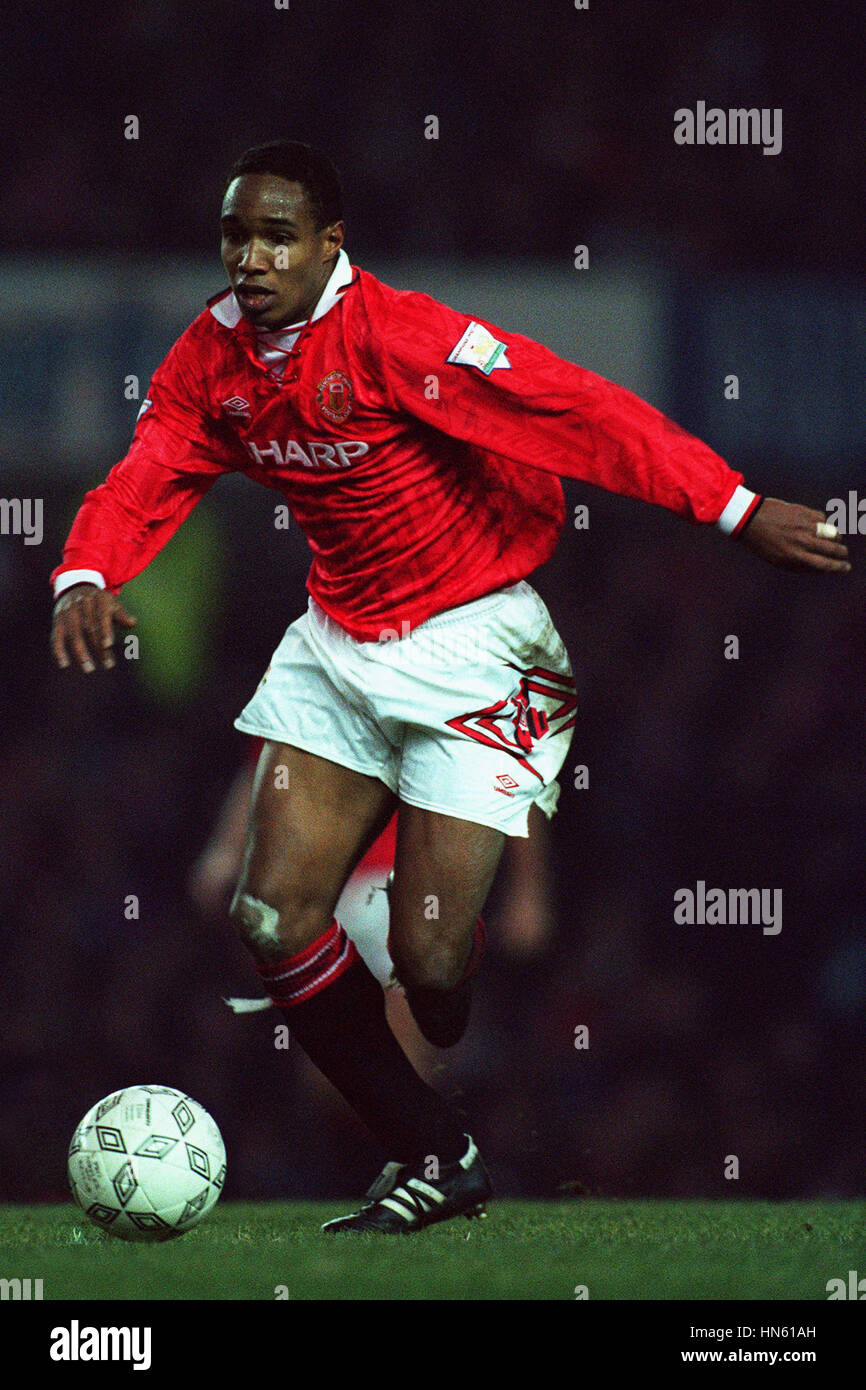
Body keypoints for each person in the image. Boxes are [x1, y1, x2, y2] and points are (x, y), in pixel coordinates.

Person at [50, 140, 850, 1234]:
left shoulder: (399, 337)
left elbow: (574, 407)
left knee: (429, 965)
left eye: (276, 234)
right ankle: (437, 1151)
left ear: (330, 243)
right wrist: (85, 572)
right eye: (235, 234)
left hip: (477, 642)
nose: (250, 256)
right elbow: (146, 470)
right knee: (268, 912)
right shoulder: (209, 359)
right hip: (338, 642)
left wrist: (729, 505)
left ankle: (439, 996)